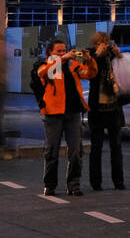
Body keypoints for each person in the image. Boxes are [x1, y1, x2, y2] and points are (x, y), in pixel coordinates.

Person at [36, 38, 97, 196]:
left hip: (73, 113)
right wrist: (61, 60)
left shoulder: (73, 65)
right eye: (59, 51)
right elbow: (43, 73)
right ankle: (49, 185)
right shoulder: (47, 66)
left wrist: (89, 60)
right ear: (50, 52)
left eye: (64, 50)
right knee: (52, 151)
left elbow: (90, 73)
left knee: (76, 151)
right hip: (53, 114)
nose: (63, 53)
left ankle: (74, 185)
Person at [85, 31, 127, 191]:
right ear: (95, 43)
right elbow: (90, 75)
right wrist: (96, 55)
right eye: (100, 42)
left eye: (106, 42)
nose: (104, 45)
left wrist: (118, 55)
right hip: (97, 109)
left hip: (114, 107)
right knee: (96, 147)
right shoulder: (90, 54)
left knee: (116, 146)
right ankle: (96, 183)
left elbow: (124, 73)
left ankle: (119, 181)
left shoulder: (113, 55)